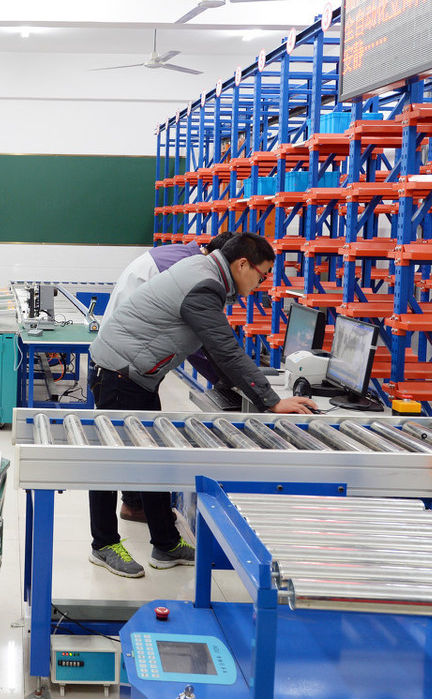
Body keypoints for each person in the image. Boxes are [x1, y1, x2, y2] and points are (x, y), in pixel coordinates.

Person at [86, 232, 317, 578]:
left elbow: (207, 343)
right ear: (242, 264)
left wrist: (239, 385)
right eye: (263, 274)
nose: (263, 283)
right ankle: (103, 544)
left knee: (154, 459)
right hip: (121, 372)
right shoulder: (205, 284)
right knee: (112, 460)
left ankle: (165, 543)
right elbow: (224, 347)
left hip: (135, 373)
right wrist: (271, 401)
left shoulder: (205, 271)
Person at [102, 232, 233, 524]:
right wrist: (227, 380)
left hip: (131, 356)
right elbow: (196, 338)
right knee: (130, 441)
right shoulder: (190, 271)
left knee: (141, 436)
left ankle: (140, 509)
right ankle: (128, 515)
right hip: (128, 359)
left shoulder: (181, 258)